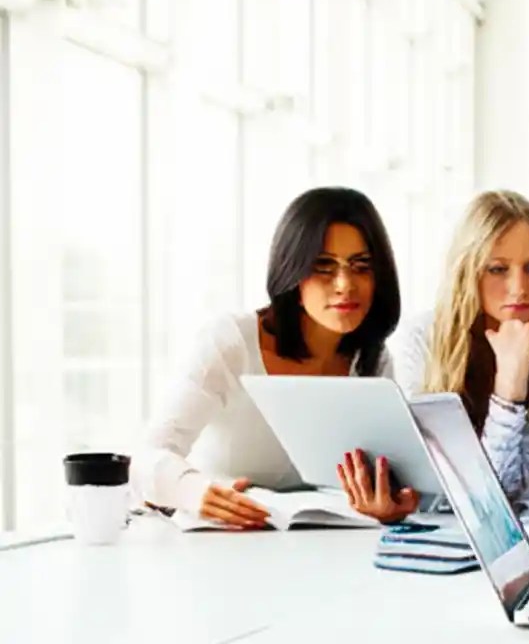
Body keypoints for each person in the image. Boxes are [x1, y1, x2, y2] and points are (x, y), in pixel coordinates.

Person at [132, 187, 401, 529]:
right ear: (293, 272)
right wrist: (196, 492)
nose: (345, 284)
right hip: (216, 548)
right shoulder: (231, 341)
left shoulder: (372, 361)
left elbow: (385, 475)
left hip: (320, 552)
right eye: (324, 266)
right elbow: (145, 459)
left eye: (361, 266)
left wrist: (386, 503)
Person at [345, 191, 529, 523]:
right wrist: (390, 502)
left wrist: (510, 386)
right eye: (497, 269)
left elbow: (504, 489)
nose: (519, 287)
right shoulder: (423, 337)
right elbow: (427, 473)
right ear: (468, 270)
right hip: (441, 524)